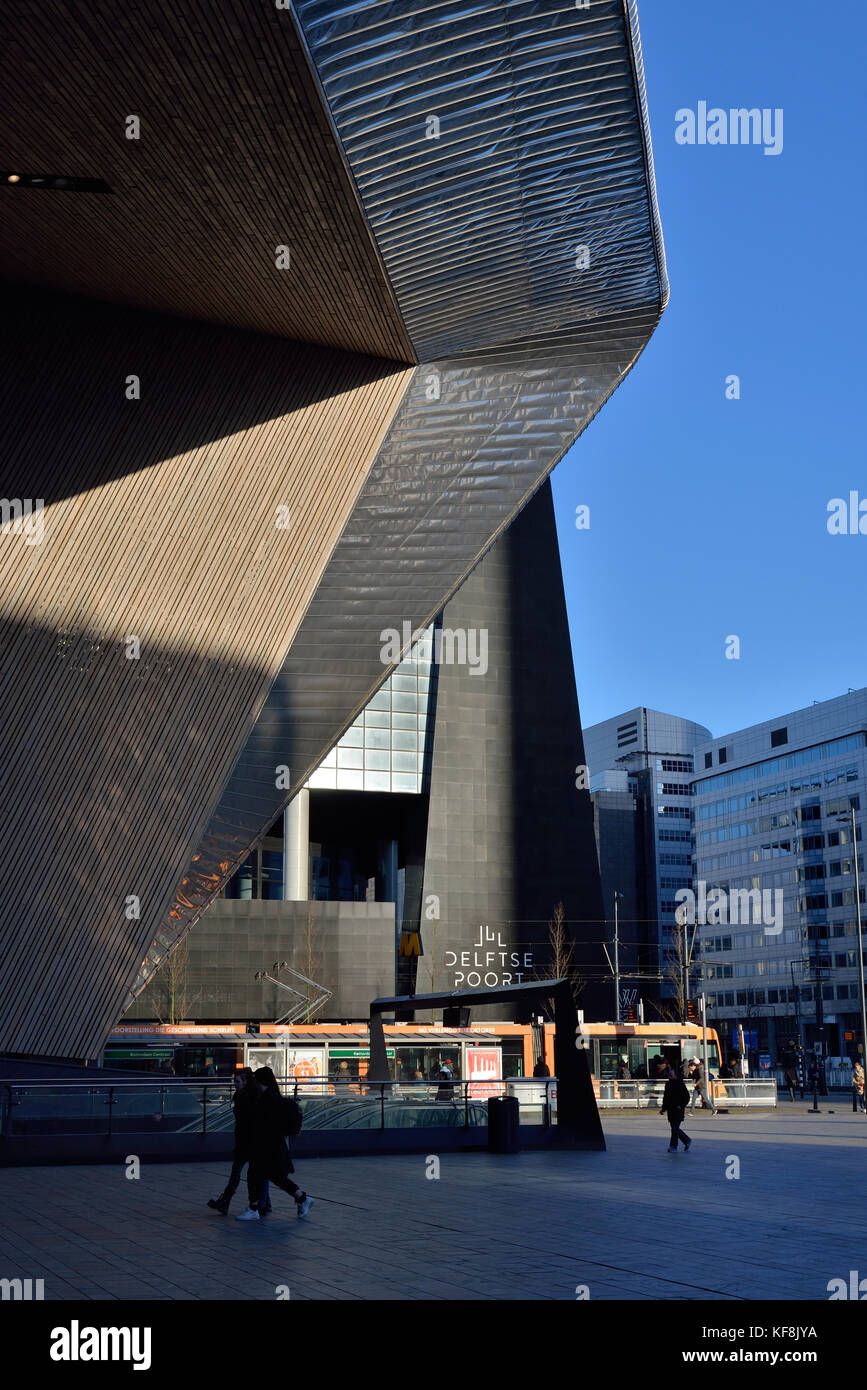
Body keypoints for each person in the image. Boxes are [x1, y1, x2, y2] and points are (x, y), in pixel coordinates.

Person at [237, 1067, 312, 1222]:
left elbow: (263, 1123)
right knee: (275, 1176)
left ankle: (253, 1208)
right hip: (271, 1145)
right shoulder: (270, 1095)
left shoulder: (267, 1099)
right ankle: (302, 1199)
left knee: (256, 1175)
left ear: (260, 1081)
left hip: (267, 1146)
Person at [207, 1068, 270, 1216]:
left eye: (237, 1081)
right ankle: (264, 1203)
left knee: (239, 1172)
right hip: (252, 1140)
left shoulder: (242, 1096)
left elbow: (244, 1120)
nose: (235, 1084)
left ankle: (227, 1201)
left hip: (245, 1141)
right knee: (257, 1173)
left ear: (245, 1081)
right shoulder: (255, 1095)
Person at [660, 1070, 691, 1152]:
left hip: (678, 1109)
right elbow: (666, 1097)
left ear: (675, 1075)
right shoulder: (668, 1084)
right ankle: (687, 1140)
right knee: (675, 1128)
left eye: (671, 1075)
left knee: (674, 1128)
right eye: (669, 1075)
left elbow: (686, 1097)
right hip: (671, 1109)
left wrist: (681, 1105)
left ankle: (673, 1146)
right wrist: (663, 1108)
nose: (669, 1076)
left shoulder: (680, 1084)